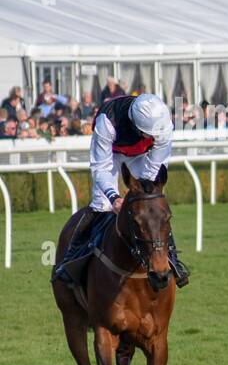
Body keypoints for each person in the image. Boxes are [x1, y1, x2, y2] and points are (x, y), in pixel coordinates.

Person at [52, 93, 189, 287]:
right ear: (135, 125)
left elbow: (155, 167)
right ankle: (70, 259)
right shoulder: (107, 122)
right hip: (111, 156)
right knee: (101, 204)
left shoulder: (162, 125)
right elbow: (101, 168)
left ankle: (173, 259)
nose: (153, 137)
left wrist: (140, 194)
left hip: (141, 157)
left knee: (153, 208)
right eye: (149, 134)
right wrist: (114, 197)